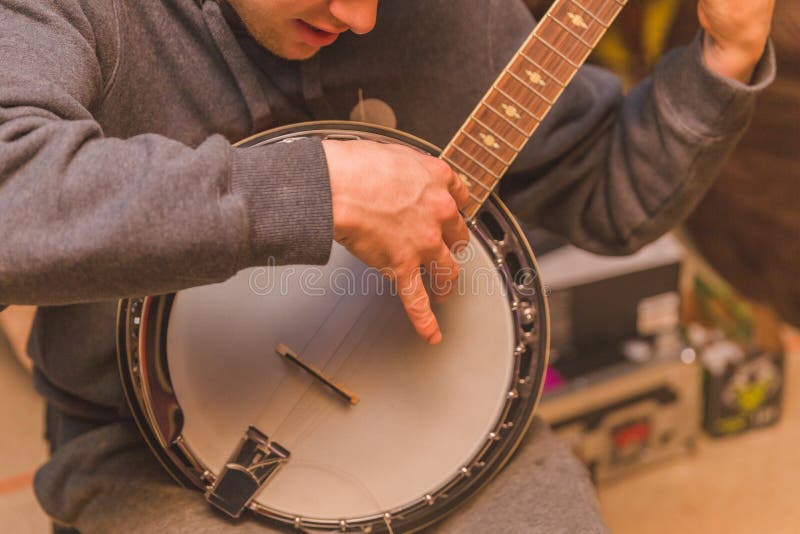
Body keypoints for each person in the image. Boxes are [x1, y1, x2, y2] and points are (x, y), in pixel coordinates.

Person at [0, 0, 775, 532]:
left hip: (435, 422)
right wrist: (322, 189)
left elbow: (607, 192)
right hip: (146, 446)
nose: (361, 17)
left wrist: (724, 59)